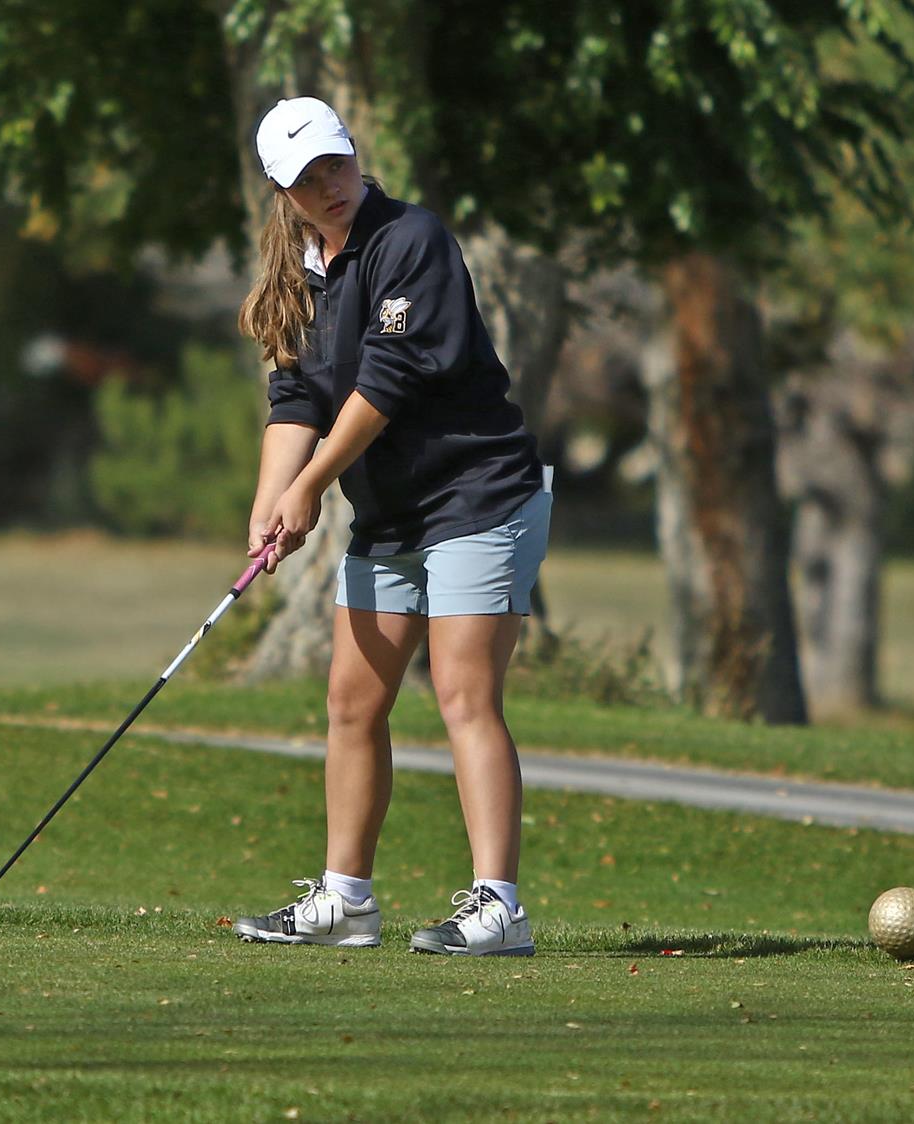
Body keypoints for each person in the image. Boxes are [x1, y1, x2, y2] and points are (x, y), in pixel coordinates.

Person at [229, 96, 552, 957]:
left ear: (352, 154)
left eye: (335, 164)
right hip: (393, 511)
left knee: (463, 694)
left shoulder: (412, 241)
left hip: (479, 494)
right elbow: (296, 392)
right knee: (351, 701)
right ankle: (346, 901)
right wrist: (272, 497)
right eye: (307, 178)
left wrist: (311, 486)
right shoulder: (301, 268)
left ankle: (500, 909)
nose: (329, 186)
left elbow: (389, 382)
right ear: (280, 191)